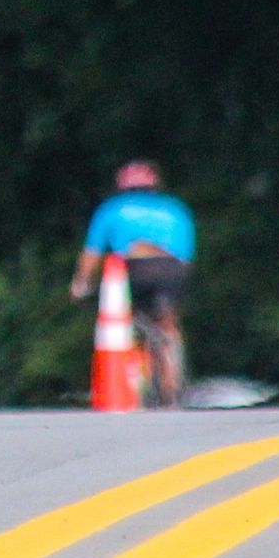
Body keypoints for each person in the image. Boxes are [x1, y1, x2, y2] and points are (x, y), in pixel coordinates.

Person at [72, 161, 196, 405]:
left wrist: (81, 283)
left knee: (131, 319)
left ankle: (138, 375)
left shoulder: (112, 209)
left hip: (135, 269)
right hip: (173, 269)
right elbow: (187, 254)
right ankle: (172, 381)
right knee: (167, 321)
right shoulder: (175, 209)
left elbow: (92, 253)